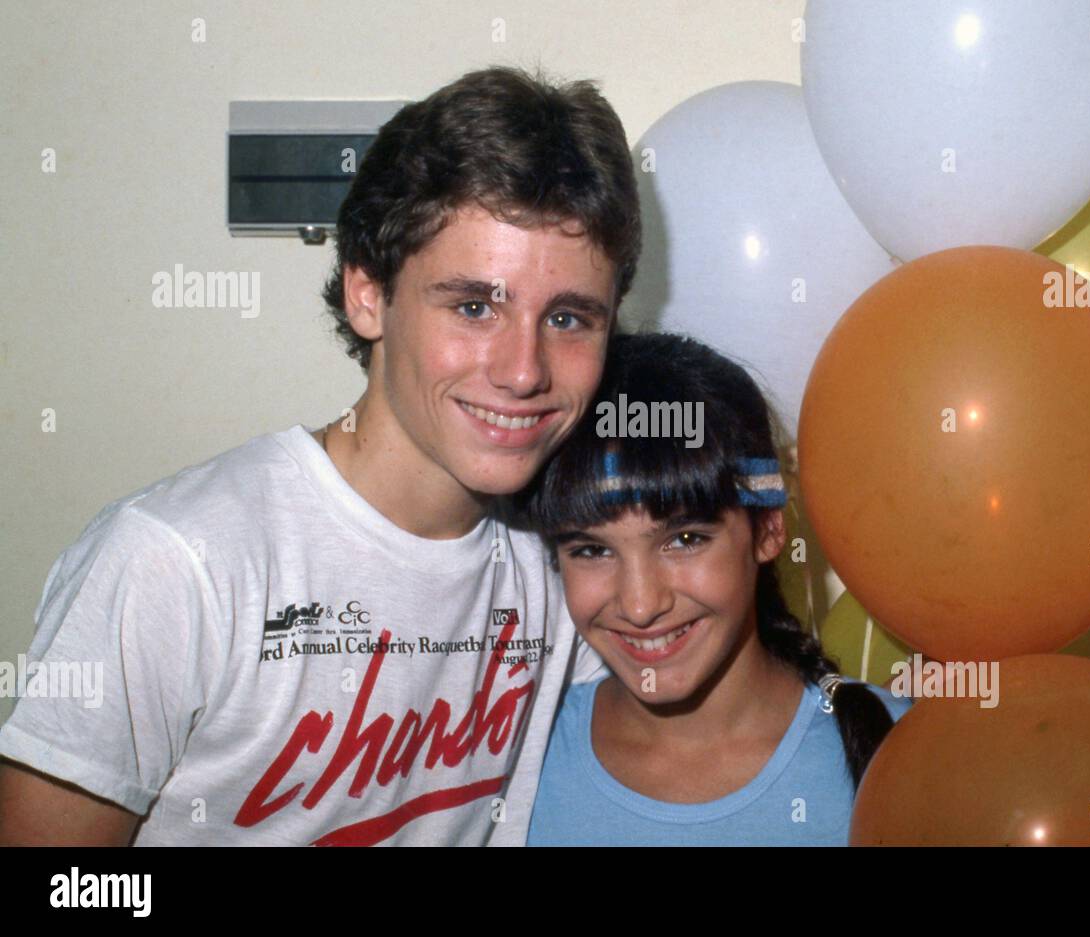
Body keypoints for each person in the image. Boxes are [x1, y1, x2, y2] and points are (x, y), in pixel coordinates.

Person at [0, 65, 640, 845]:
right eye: (474, 306)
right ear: (367, 293)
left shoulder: (574, 561)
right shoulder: (173, 564)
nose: (523, 369)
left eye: (570, 318)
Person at [517, 332, 911, 846]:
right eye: (591, 550)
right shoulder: (512, 762)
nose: (639, 605)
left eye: (684, 539)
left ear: (768, 530)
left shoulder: (905, 753)